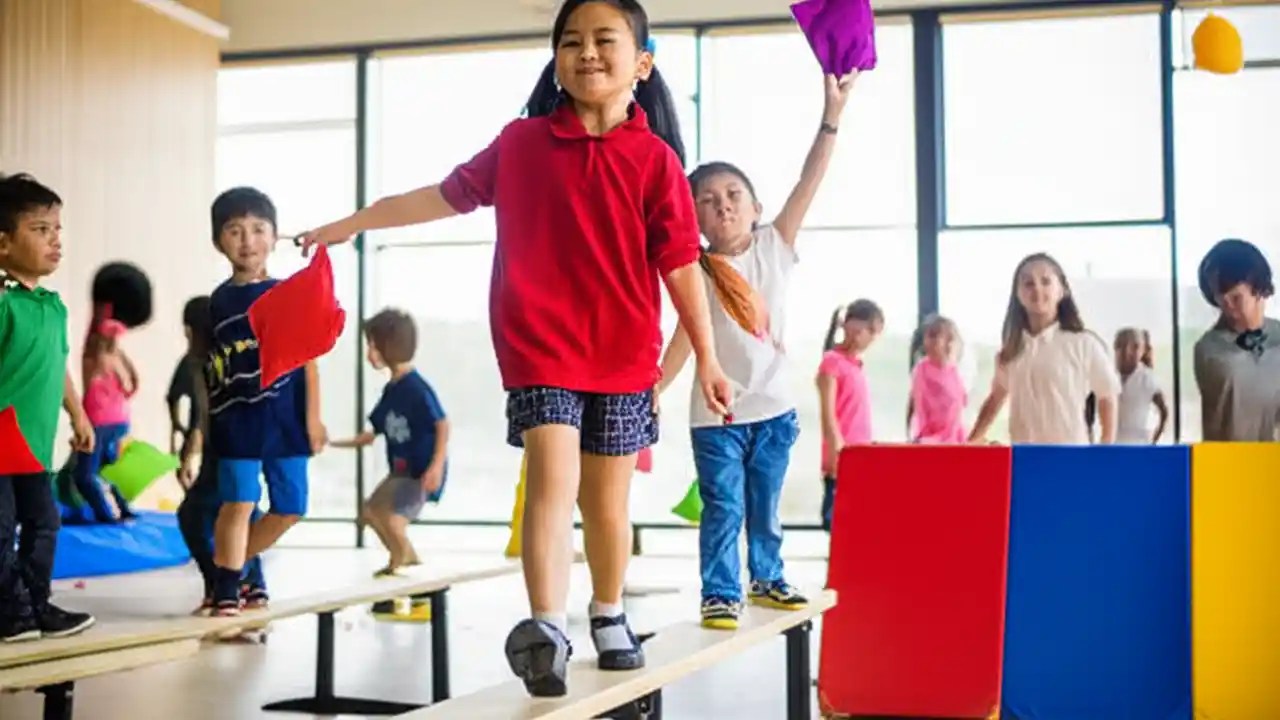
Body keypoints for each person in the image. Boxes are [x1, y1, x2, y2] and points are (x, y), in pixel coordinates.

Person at [298, 0, 732, 697]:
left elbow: (680, 265)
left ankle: (608, 612)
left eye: (604, 39)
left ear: (642, 63)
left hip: (624, 356)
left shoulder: (655, 160)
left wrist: (706, 358)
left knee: (607, 504)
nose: (586, 52)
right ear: (556, 60)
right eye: (570, 41)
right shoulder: (522, 144)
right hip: (540, 348)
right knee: (552, 483)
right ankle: (547, 630)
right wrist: (352, 223)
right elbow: (441, 196)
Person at [655, 68, 856, 630]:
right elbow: (686, 338)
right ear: (692, 217)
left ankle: (766, 577)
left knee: (764, 506)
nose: (722, 205)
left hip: (774, 414)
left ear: (755, 206)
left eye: (733, 195)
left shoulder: (775, 246)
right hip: (716, 417)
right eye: (707, 200)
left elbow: (810, 179)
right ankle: (720, 592)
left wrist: (831, 116)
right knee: (723, 506)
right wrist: (656, 389)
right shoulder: (694, 269)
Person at [207, 187, 327, 618]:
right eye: (235, 231)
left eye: (258, 229)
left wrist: (313, 418)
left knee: (291, 507)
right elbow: (213, 368)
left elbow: (308, 359)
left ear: (275, 237)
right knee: (239, 501)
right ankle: (226, 586)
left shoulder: (289, 293)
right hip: (237, 418)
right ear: (218, 240)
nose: (247, 241)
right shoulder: (218, 302)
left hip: (285, 417)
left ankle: (232, 568)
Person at [0, 173, 96, 642]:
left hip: (34, 445)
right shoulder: (3, 303)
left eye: (57, 229)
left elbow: (57, 367)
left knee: (44, 523)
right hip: (2, 440)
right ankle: (9, 612)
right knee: (1, 530)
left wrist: (77, 413)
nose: (55, 240)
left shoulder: (52, 305)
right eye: (40, 230)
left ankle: (36, 605)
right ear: (3, 243)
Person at [331, 309, 449, 591]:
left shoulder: (416, 388)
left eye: (373, 346)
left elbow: (442, 424)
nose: (369, 353)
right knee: (370, 511)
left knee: (392, 519)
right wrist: (329, 443)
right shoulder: (392, 391)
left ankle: (407, 568)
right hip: (400, 471)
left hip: (420, 471)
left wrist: (436, 466)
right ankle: (406, 559)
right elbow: (370, 435)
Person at [169, 295, 266, 615]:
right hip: (232, 448)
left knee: (199, 515)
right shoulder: (213, 359)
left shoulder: (213, 361)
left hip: (231, 450)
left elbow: (207, 415)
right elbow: (202, 415)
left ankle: (226, 585)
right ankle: (249, 584)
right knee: (239, 512)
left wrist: (189, 455)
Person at [968, 253, 1120, 445]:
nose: (1037, 288)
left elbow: (1107, 394)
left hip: (1070, 453)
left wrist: (1106, 447)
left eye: (1046, 281)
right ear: (1017, 294)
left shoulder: (1084, 343)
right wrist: (971, 441)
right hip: (1023, 455)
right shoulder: (1010, 351)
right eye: (1028, 283)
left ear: (1062, 290)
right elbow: (996, 397)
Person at [1193, 238, 1280, 441]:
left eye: (1236, 298)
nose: (1228, 308)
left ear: (1259, 289)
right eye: (1219, 299)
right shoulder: (1210, 349)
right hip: (1229, 457)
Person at [816, 299, 883, 532]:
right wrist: (837, 452)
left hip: (860, 455)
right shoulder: (831, 363)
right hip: (841, 458)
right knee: (838, 524)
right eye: (870, 330)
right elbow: (828, 415)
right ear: (851, 326)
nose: (872, 337)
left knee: (858, 524)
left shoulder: (856, 366)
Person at [72, 315, 139, 522]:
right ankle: (122, 508)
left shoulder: (94, 360)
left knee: (84, 475)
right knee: (106, 468)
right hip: (119, 421)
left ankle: (106, 513)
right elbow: (133, 385)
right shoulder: (116, 360)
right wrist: (121, 355)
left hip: (99, 421)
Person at [907, 314, 967, 444]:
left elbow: (960, 402)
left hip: (954, 435)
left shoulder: (954, 371)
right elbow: (920, 403)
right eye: (931, 336)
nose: (933, 342)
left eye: (950, 338)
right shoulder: (922, 369)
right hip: (930, 435)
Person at [1113, 327, 1168, 444]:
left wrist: (1154, 441)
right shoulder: (1108, 374)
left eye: (1134, 347)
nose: (1126, 352)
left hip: (1139, 444)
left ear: (1141, 351)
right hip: (1112, 444)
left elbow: (1164, 411)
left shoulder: (1148, 378)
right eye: (1120, 346)